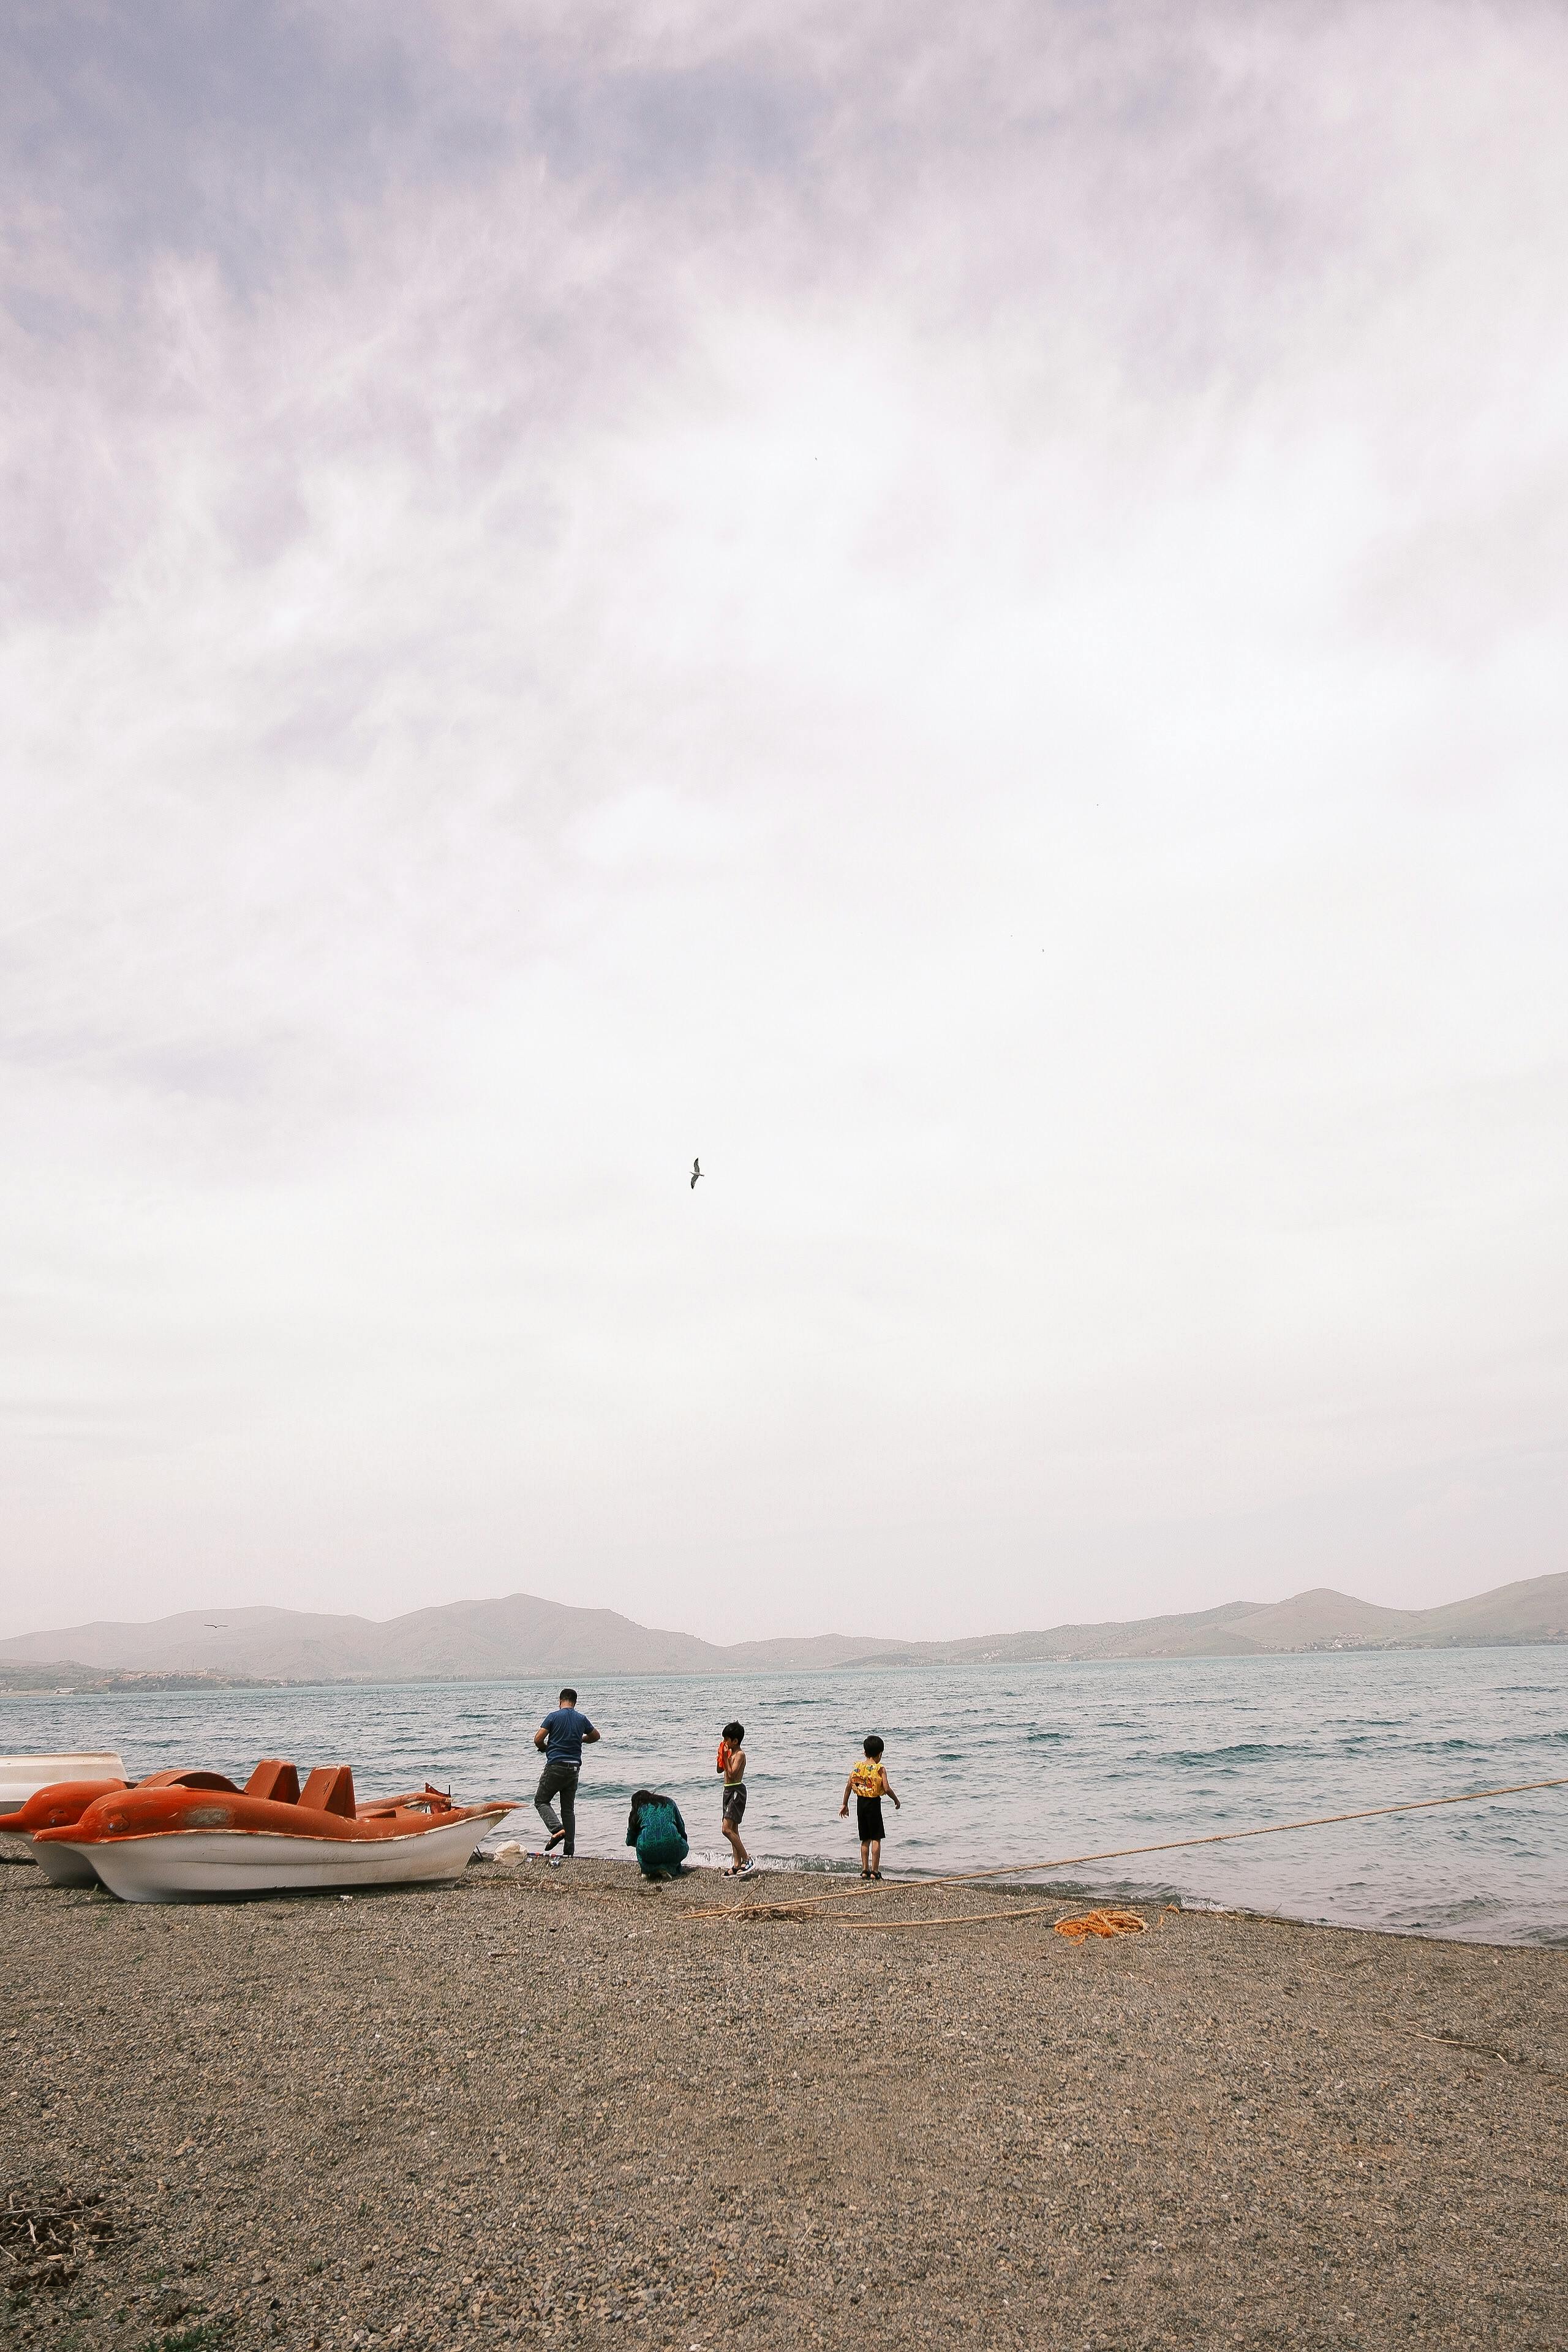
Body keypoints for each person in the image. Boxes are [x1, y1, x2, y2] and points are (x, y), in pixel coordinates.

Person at [532, 1686, 600, 1861]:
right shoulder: (581, 1719)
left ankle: (556, 1829)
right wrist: (581, 1739)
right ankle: (569, 1851)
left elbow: (538, 1739)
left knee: (541, 1801)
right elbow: (596, 1736)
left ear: (560, 1701)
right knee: (568, 1810)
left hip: (556, 1766)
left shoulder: (553, 1716)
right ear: (575, 1703)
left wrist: (546, 1748)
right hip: (574, 1770)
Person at [840, 1733, 899, 1880]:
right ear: (880, 1754)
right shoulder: (880, 1769)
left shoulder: (857, 1768)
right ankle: (875, 1871)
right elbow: (886, 1788)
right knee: (876, 1838)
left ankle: (865, 1870)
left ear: (864, 1752)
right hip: (873, 1804)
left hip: (860, 1804)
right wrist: (896, 1800)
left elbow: (848, 1786)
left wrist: (844, 1804)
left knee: (864, 1839)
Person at [716, 1719, 756, 1878]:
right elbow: (720, 1770)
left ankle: (747, 1859)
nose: (725, 1742)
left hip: (736, 1791)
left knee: (726, 1829)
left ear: (735, 1741)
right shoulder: (729, 1753)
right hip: (727, 1792)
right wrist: (721, 1756)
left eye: (727, 1739)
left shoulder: (739, 1755)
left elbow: (732, 1775)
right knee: (733, 1829)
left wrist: (726, 1758)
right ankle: (737, 1864)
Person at [625, 1789, 689, 1880]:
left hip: (648, 1850)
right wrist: (683, 1843)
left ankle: (647, 1871)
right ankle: (669, 1868)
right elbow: (681, 1827)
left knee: (642, 1841)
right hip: (673, 1847)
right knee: (680, 1845)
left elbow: (629, 1840)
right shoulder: (669, 1802)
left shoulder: (639, 1809)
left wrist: (638, 1840)